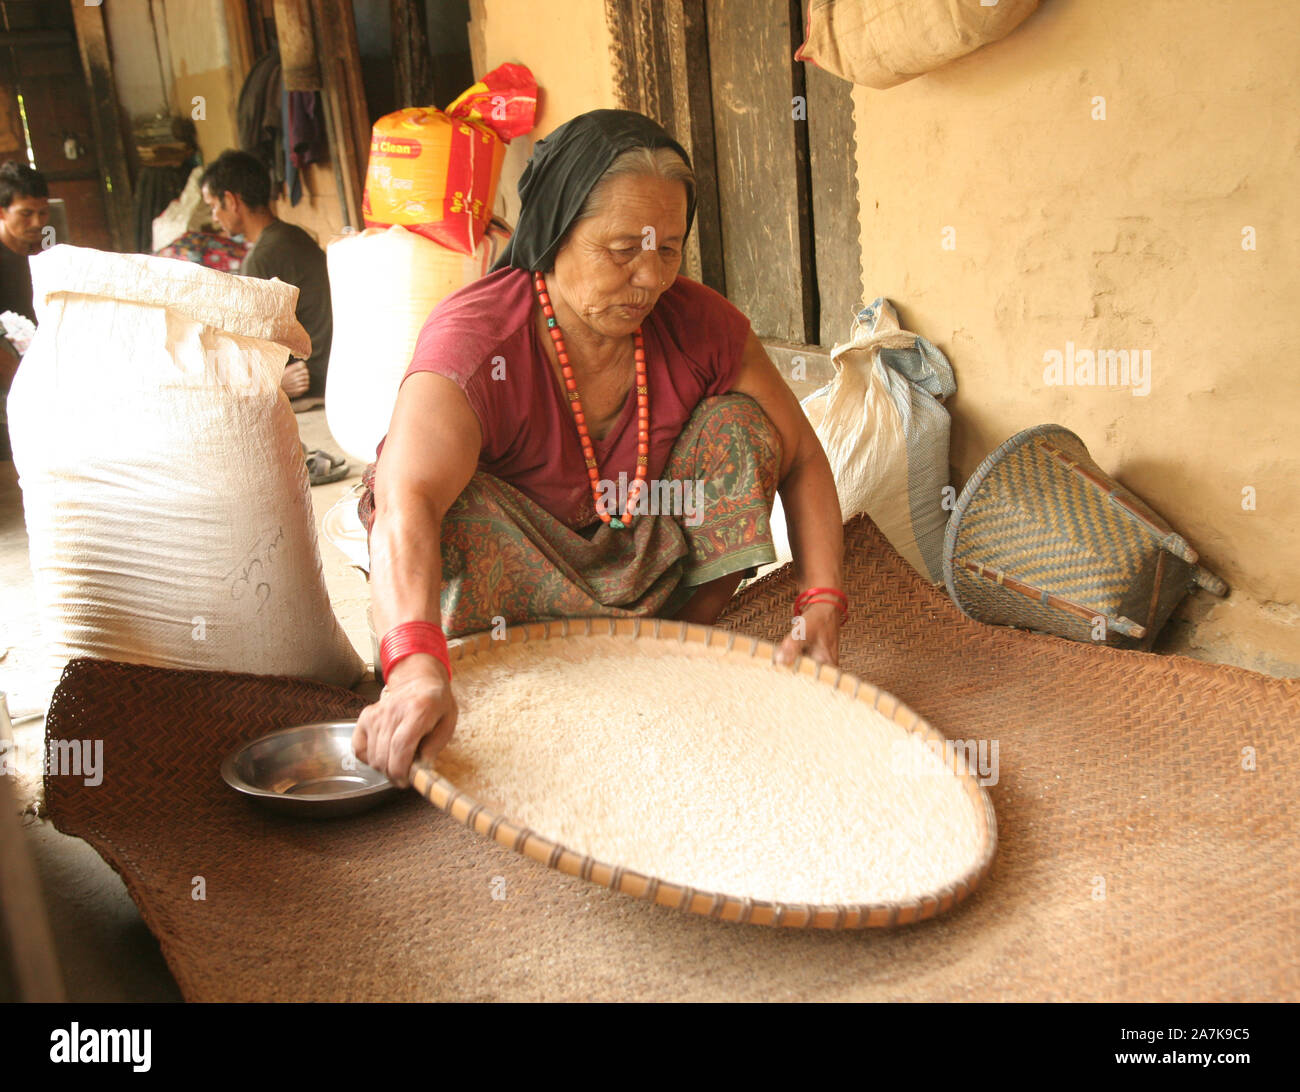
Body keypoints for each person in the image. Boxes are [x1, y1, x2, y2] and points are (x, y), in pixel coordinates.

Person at [352, 109, 846, 787]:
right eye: (622, 250)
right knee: (442, 498)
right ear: (554, 230)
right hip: (520, 601)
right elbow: (404, 502)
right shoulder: (478, 339)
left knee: (742, 428)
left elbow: (803, 455)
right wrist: (411, 666)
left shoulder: (700, 325)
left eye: (668, 248)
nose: (651, 277)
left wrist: (820, 602)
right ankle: (471, 675)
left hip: (649, 578)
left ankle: (685, 649)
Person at [199, 149, 346, 484]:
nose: (215, 216)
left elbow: (252, 347)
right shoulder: (294, 236)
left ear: (232, 200)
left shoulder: (261, 258)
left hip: (311, 376)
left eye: (214, 206)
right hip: (329, 365)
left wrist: (274, 381)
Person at [0, 162, 49, 459]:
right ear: (2, 212)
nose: (36, 222)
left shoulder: (47, 254)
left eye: (42, 212)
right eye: (26, 213)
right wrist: (25, 386)